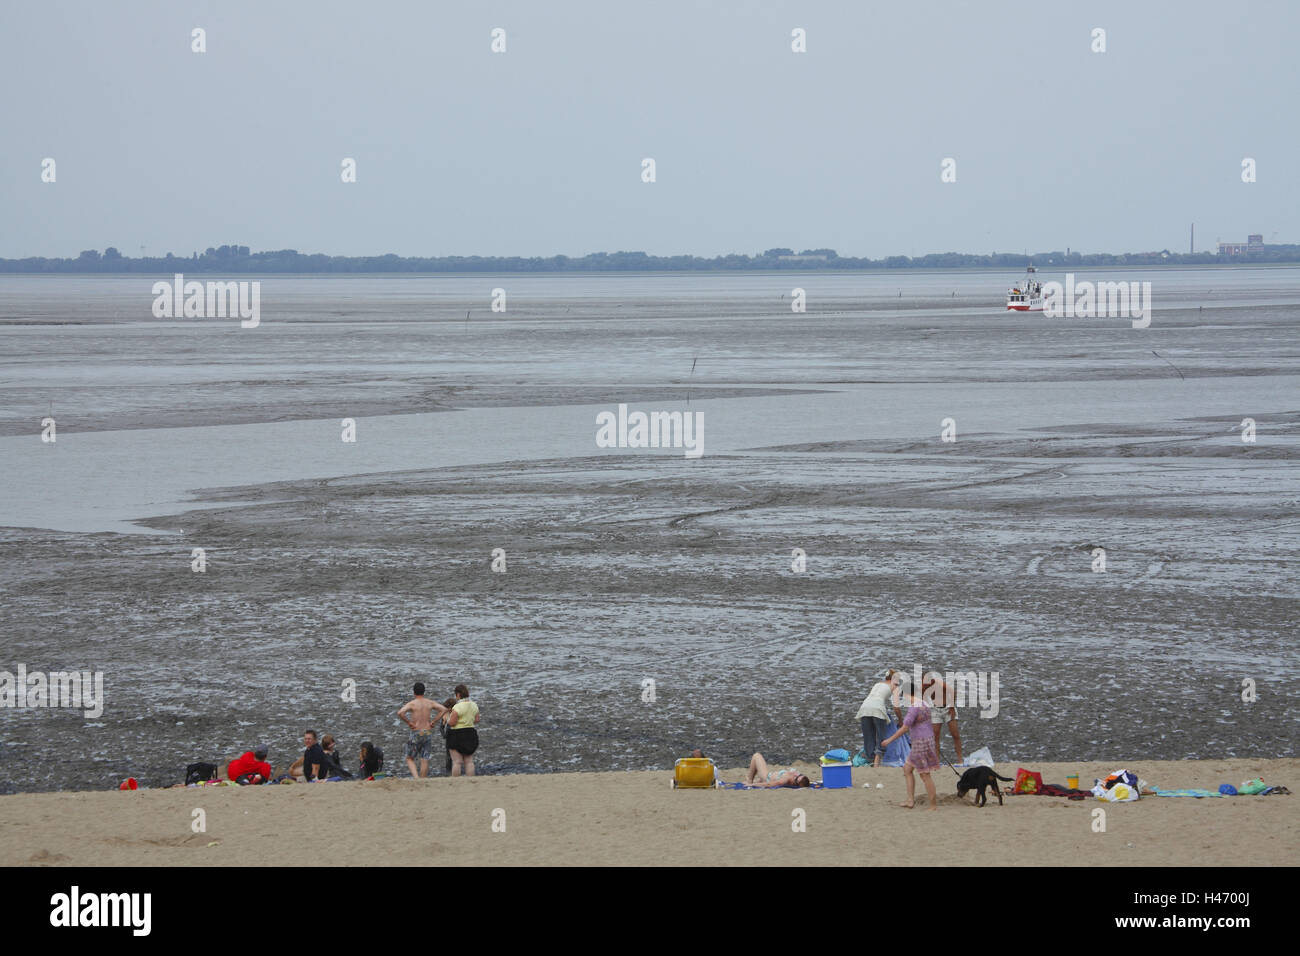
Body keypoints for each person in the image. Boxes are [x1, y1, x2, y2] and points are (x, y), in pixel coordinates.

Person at [881, 693, 940, 810]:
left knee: (925, 775)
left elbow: (905, 727)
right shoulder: (925, 703)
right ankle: (910, 800)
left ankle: (933, 805)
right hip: (927, 740)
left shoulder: (914, 707)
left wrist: (889, 740)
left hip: (920, 742)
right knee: (907, 769)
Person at [398, 682, 449, 778]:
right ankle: (423, 779)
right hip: (427, 731)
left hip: (416, 731)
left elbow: (400, 713)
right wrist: (434, 721)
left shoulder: (412, 704)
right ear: (424, 692)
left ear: (414, 692)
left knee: (409, 758)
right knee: (424, 758)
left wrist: (409, 722)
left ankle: (417, 778)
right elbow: (444, 709)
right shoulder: (429, 702)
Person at [856, 669, 903, 768]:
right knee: (881, 736)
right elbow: (896, 707)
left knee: (868, 737)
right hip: (878, 709)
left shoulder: (878, 684)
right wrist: (901, 720)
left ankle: (870, 761)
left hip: (864, 708)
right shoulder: (895, 687)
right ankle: (877, 763)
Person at [922, 672, 964, 765]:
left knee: (955, 734)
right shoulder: (923, 687)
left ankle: (960, 760)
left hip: (948, 708)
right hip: (935, 710)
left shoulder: (939, 683)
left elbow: (953, 692)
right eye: (924, 682)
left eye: (927, 682)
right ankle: (936, 761)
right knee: (935, 736)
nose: (926, 685)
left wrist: (952, 707)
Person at [446, 683, 481, 777]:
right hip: (470, 733)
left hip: (457, 734)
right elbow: (477, 719)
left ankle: (456, 781)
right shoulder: (474, 705)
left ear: (458, 694)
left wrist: (447, 720)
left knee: (457, 761)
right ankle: (470, 780)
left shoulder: (457, 707)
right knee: (469, 761)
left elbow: (452, 722)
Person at [744, 752, 811, 788]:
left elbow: (769, 784)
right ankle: (751, 780)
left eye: (796, 778)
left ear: (795, 783)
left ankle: (749, 780)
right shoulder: (795, 775)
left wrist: (753, 785)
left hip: (766, 777)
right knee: (757, 760)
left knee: (756, 756)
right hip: (768, 776)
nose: (796, 775)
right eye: (800, 775)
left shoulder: (785, 779)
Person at [437, 696, 457, 775]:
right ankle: (448, 771)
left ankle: (454, 770)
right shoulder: (445, 714)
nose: (446, 709)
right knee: (448, 755)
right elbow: (441, 727)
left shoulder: (457, 712)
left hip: (457, 734)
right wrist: (444, 735)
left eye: (448, 708)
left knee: (456, 755)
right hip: (449, 735)